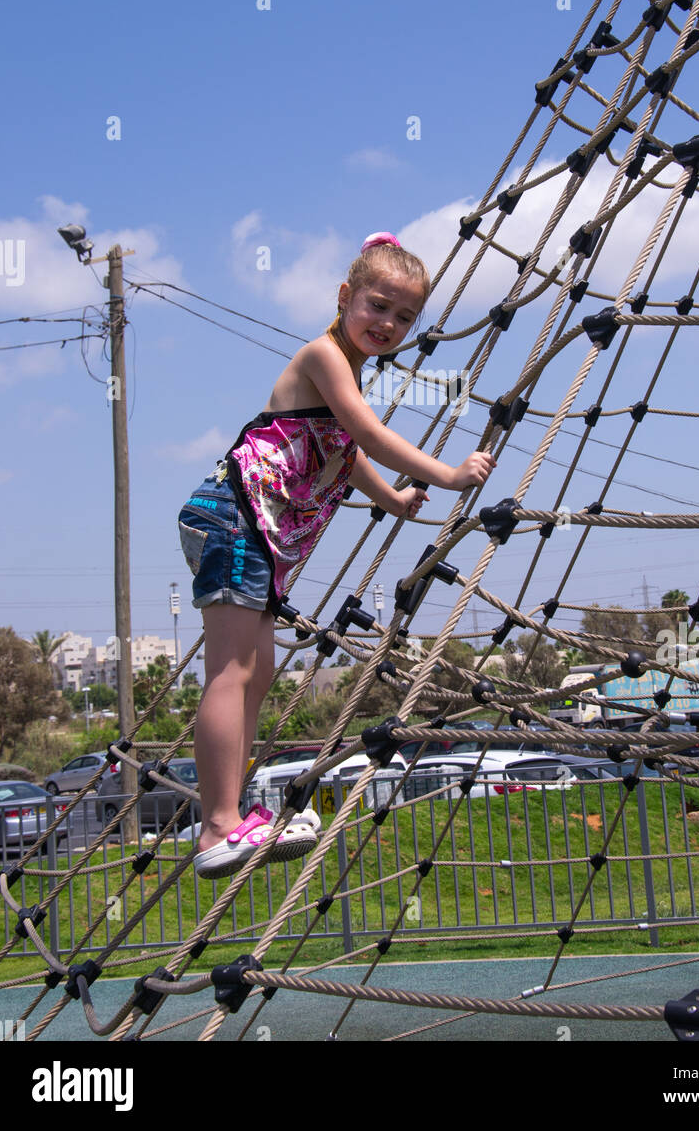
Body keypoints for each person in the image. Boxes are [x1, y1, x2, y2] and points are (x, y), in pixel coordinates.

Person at [177, 233, 496, 877]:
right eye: (379, 306)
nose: (390, 325)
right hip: (235, 516)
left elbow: (342, 457)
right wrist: (446, 475)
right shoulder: (324, 356)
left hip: (257, 532)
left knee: (258, 674)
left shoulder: (345, 373)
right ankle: (217, 827)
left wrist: (396, 500)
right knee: (233, 672)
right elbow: (369, 436)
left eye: (406, 317)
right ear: (345, 297)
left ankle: (233, 814)